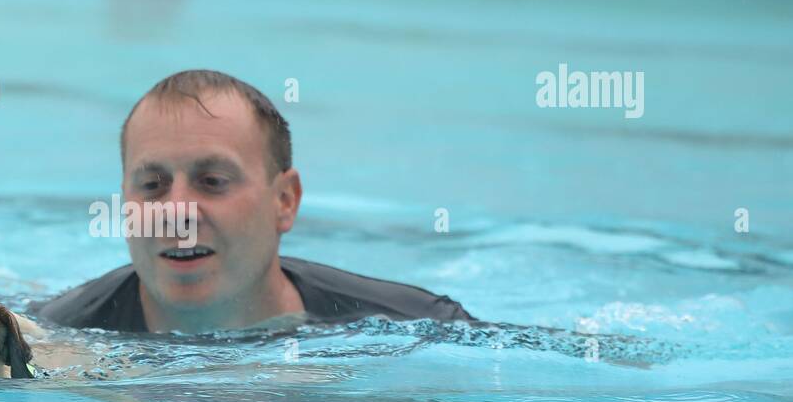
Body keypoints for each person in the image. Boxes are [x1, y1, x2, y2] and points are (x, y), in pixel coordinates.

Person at [30, 70, 474, 333]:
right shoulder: (57, 337)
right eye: (152, 186)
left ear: (284, 201)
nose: (176, 212)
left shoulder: (418, 329)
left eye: (212, 181)